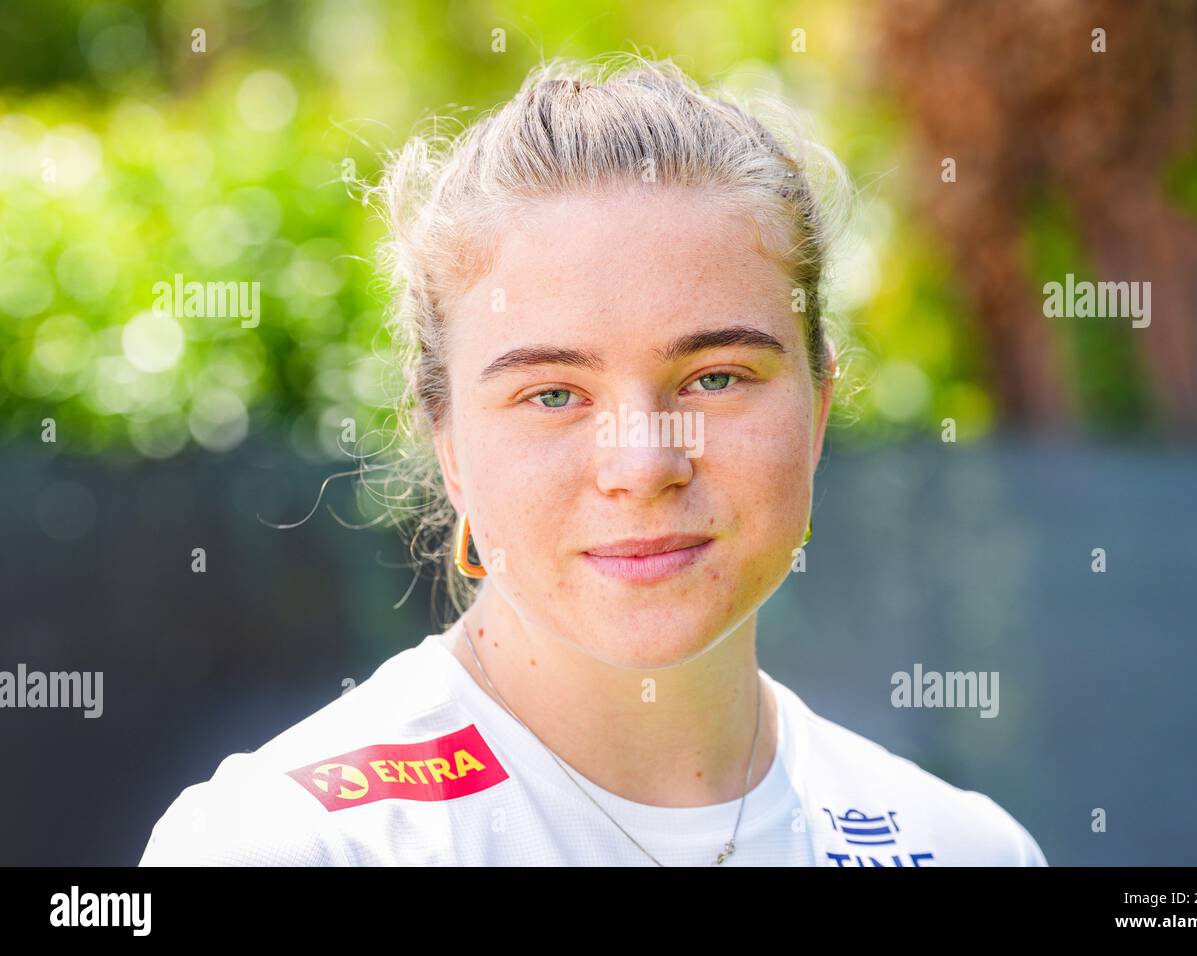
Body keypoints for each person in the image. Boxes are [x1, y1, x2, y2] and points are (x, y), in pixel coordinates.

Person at [139, 53, 1047, 867]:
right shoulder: (292, 847)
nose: (644, 463)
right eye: (553, 395)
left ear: (816, 405)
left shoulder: (963, 847)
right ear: (447, 441)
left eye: (716, 378)